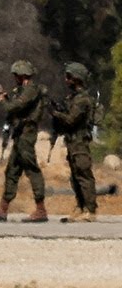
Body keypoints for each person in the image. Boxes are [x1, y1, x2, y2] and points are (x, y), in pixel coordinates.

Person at [0, 60, 48, 222]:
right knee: (12, 171)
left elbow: (13, 107)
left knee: (32, 170)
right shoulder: (22, 90)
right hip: (19, 135)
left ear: (22, 75)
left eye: (16, 75)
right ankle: (2, 209)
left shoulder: (31, 90)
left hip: (27, 135)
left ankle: (41, 209)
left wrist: (3, 100)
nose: (14, 78)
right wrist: (7, 97)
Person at [50, 62, 97, 223]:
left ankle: (90, 209)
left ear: (77, 79)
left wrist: (56, 114)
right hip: (72, 141)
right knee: (75, 176)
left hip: (80, 141)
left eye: (69, 77)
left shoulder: (82, 99)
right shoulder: (73, 98)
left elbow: (71, 119)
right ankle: (80, 206)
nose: (66, 80)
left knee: (84, 174)